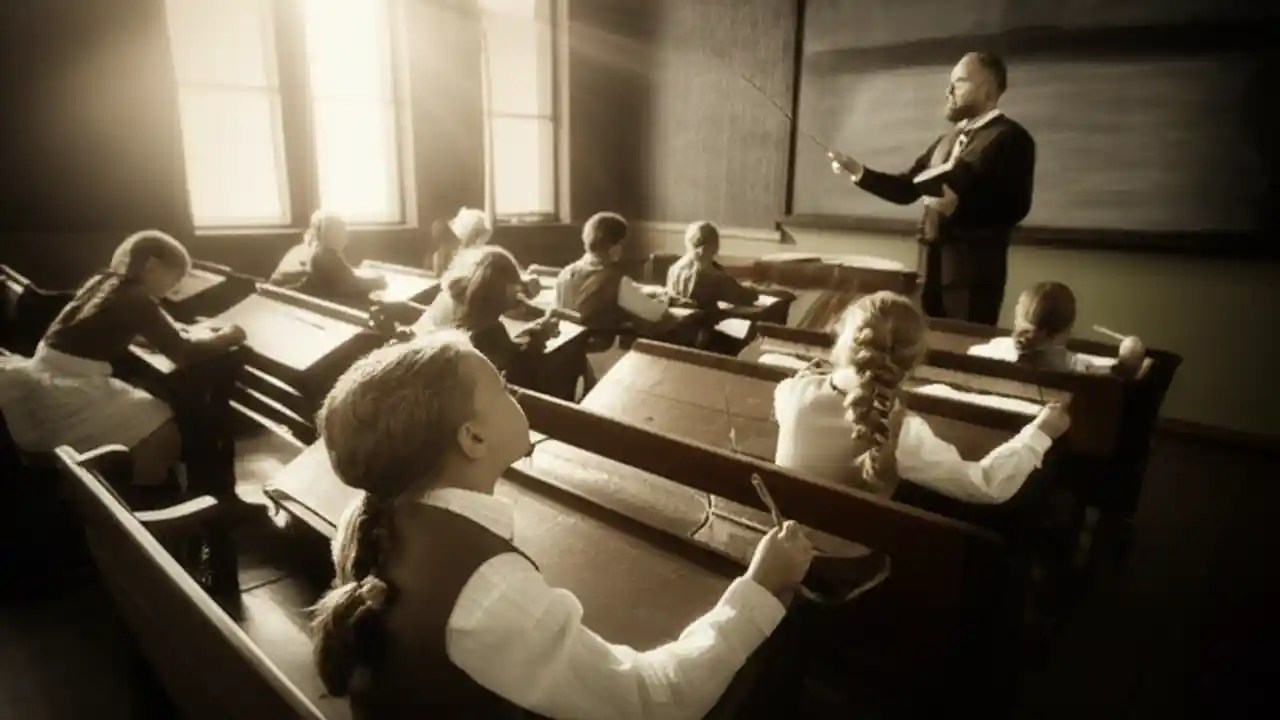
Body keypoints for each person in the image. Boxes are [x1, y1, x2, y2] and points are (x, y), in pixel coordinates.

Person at [309, 332, 815, 718]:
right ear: (473, 439)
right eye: (502, 387)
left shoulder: (377, 518)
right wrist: (760, 588)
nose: (515, 392)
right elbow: (653, 701)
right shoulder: (489, 590)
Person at [773, 291, 1070, 504]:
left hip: (783, 545)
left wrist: (818, 376)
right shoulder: (899, 431)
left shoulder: (791, 392)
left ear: (843, 343)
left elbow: (809, 396)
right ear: (913, 362)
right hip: (853, 561)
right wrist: (1039, 433)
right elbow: (986, 486)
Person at [0, 230, 245, 486]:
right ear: (152, 266)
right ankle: (143, 496)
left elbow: (105, 326)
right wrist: (230, 334)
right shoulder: (135, 297)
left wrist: (161, 334)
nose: (174, 288)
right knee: (161, 424)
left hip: (49, 370)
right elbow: (184, 353)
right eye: (174, 279)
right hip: (70, 387)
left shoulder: (103, 281)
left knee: (146, 405)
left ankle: (127, 490)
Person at [828, 52, 1035, 326]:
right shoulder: (945, 142)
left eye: (959, 82)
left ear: (987, 89)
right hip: (930, 274)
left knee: (964, 347)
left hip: (974, 280)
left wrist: (959, 208)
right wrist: (858, 172)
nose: (948, 91)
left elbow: (1016, 207)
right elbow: (906, 189)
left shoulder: (1012, 138)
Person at [411, 246, 558, 388]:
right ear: (498, 290)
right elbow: (517, 374)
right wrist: (538, 340)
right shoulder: (487, 332)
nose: (518, 290)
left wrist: (531, 333)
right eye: (514, 285)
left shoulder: (455, 307)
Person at [967, 281, 1147, 377]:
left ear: (1018, 318)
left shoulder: (986, 353)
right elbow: (1121, 374)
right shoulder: (1080, 373)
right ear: (1068, 329)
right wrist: (1128, 361)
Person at [555, 211, 679, 333]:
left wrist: (643, 291)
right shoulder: (613, 280)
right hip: (602, 344)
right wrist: (665, 299)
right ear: (615, 247)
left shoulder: (566, 273)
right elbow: (656, 313)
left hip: (568, 341)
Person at [270, 210, 387, 302]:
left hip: (275, 297)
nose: (346, 236)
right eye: (343, 231)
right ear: (330, 233)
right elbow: (350, 284)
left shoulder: (301, 249)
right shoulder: (325, 254)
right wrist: (380, 281)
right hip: (288, 302)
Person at [665, 221, 762, 310]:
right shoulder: (712, 275)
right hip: (704, 322)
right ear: (714, 246)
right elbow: (747, 296)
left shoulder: (674, 269)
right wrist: (752, 287)